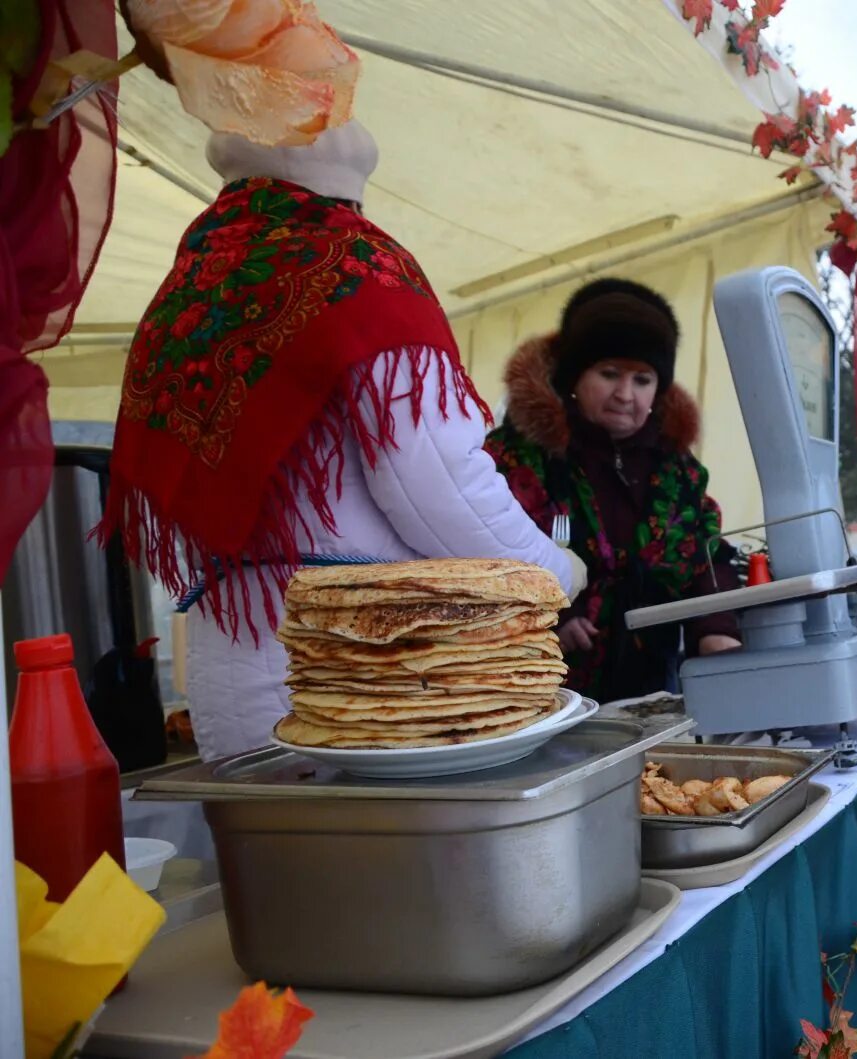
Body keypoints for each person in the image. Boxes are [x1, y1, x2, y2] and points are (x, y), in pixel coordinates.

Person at [96, 121, 584, 760]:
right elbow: (435, 481)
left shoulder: (195, 284)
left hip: (229, 651)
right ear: (346, 193)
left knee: (266, 855)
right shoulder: (357, 269)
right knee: (375, 856)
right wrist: (554, 569)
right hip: (357, 655)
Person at [486, 278, 740, 704]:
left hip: (651, 697)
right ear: (574, 376)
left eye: (642, 379)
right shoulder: (515, 460)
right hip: (541, 697)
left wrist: (718, 631)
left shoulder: (677, 473)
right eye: (609, 374)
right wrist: (550, 619)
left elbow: (704, 557)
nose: (625, 395)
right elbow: (487, 558)